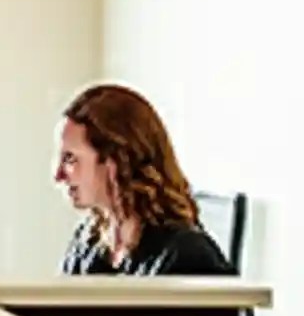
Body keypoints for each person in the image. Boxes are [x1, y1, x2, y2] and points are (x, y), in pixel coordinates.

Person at [54, 83, 234, 276]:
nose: (58, 175)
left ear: (117, 160)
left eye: (70, 158)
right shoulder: (86, 243)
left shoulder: (190, 256)